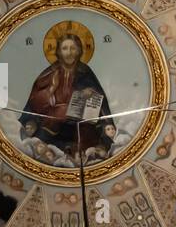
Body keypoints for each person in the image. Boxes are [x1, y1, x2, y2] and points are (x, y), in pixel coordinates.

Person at [18, 33, 115, 161]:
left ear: (79, 50)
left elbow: (100, 101)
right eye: (65, 48)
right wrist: (50, 91)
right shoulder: (50, 73)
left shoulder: (85, 72)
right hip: (54, 124)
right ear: (59, 51)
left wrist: (89, 93)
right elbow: (35, 101)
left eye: (73, 48)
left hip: (81, 125)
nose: (69, 53)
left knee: (87, 141)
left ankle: (81, 153)